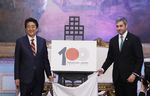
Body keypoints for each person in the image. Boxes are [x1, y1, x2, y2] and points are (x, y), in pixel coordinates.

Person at [98, 17, 144, 96]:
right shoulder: (113, 41)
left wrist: (134, 74)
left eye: (121, 26)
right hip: (117, 78)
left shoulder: (134, 39)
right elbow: (110, 58)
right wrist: (103, 69)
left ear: (126, 26)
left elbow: (139, 59)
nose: (119, 28)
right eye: (117, 26)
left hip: (130, 78)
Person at [14, 17, 53, 96]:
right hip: (25, 78)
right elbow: (17, 61)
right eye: (28, 26)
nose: (31, 29)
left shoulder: (42, 41)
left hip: (38, 78)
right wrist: (17, 77)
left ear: (37, 28)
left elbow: (45, 59)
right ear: (25, 29)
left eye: (33, 26)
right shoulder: (20, 42)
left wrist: (49, 74)